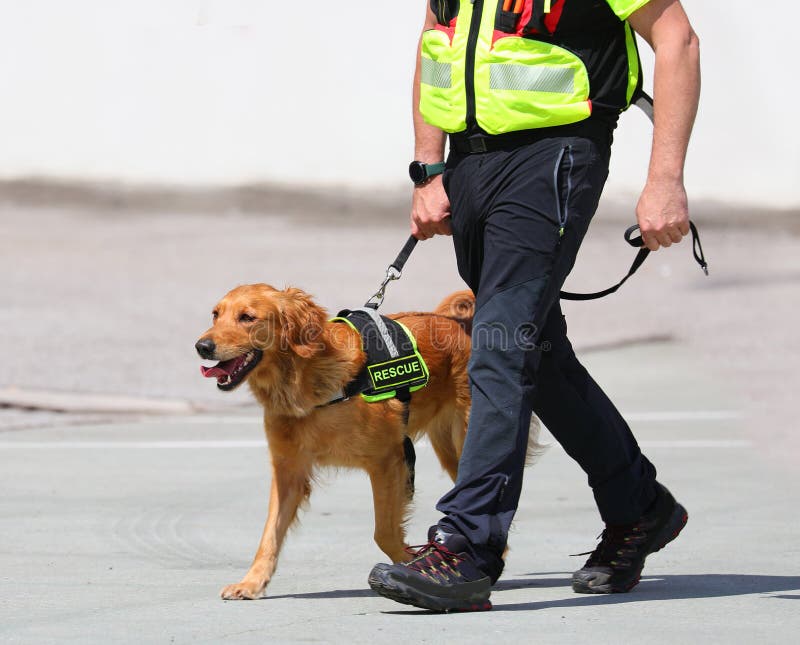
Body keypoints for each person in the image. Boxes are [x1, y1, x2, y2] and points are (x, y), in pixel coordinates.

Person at [368, 0, 700, 612]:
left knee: (497, 347)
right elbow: (437, 39)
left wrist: (665, 180)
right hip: (469, 164)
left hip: (554, 156)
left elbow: (676, 38)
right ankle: (639, 507)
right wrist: (428, 168)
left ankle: (468, 548)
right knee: (538, 355)